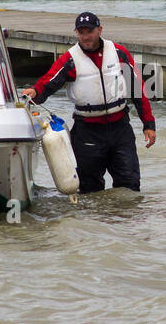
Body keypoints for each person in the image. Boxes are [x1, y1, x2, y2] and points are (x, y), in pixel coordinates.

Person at [20, 12, 156, 192]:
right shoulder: (69, 59)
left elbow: (138, 90)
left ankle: (126, 219)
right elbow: (48, 82)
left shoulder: (119, 53)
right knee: (90, 191)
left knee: (130, 185)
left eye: (89, 31)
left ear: (99, 30)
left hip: (120, 129)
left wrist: (149, 124)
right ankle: (93, 221)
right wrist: (35, 92)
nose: (85, 37)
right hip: (87, 132)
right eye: (81, 32)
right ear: (76, 33)